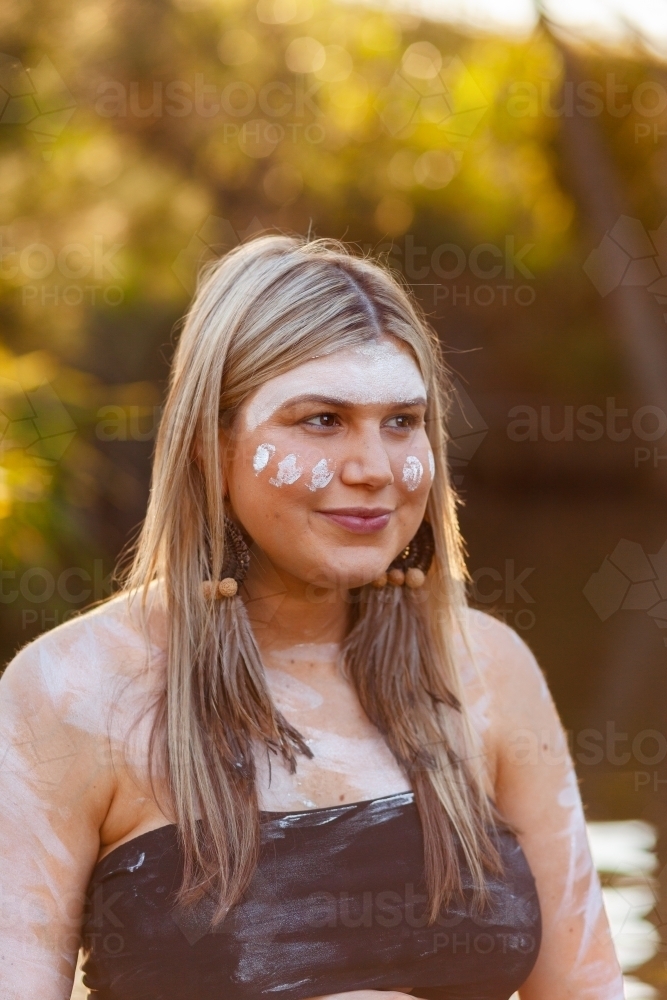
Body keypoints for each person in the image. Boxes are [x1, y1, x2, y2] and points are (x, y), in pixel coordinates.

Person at [0, 235, 623, 1000]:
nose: (373, 468)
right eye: (322, 420)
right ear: (210, 446)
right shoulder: (69, 692)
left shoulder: (486, 670)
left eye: (401, 422)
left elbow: (587, 991)